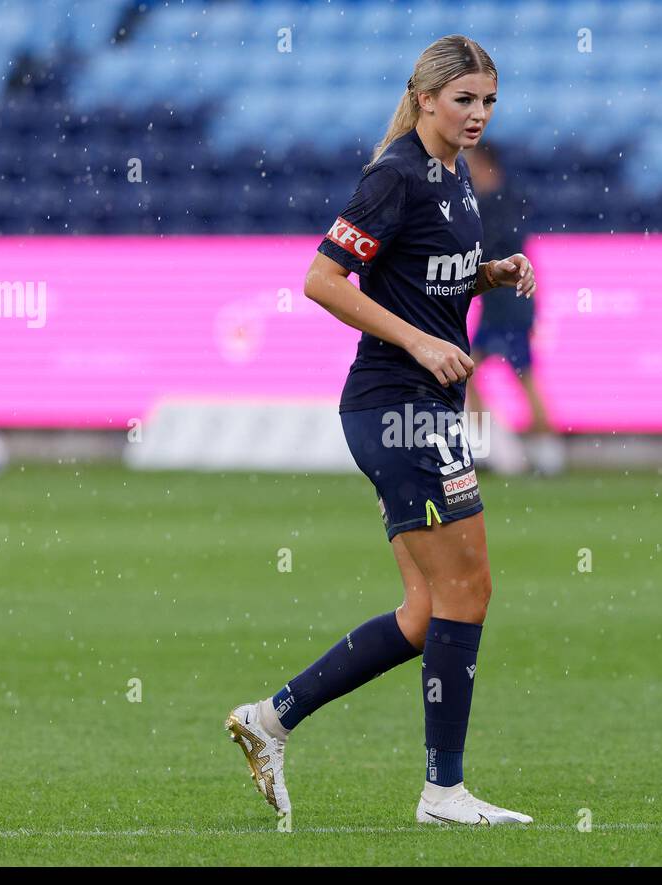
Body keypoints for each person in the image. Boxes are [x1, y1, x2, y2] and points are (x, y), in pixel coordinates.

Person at [225, 35, 536, 827]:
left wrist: (487, 273)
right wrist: (421, 339)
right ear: (426, 97)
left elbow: (421, 273)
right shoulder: (395, 175)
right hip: (396, 404)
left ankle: (271, 718)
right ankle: (444, 793)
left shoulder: (454, 176)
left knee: (427, 611)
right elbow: (322, 278)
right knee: (470, 590)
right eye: (464, 99)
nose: (478, 114)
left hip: (418, 405)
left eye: (489, 100)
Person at [463, 141, 565, 476]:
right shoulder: (492, 201)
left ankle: (546, 453)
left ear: (486, 166)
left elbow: (496, 246)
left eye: (472, 165)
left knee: (524, 377)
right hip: (498, 306)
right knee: (469, 372)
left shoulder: (502, 201)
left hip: (512, 305)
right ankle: (488, 447)